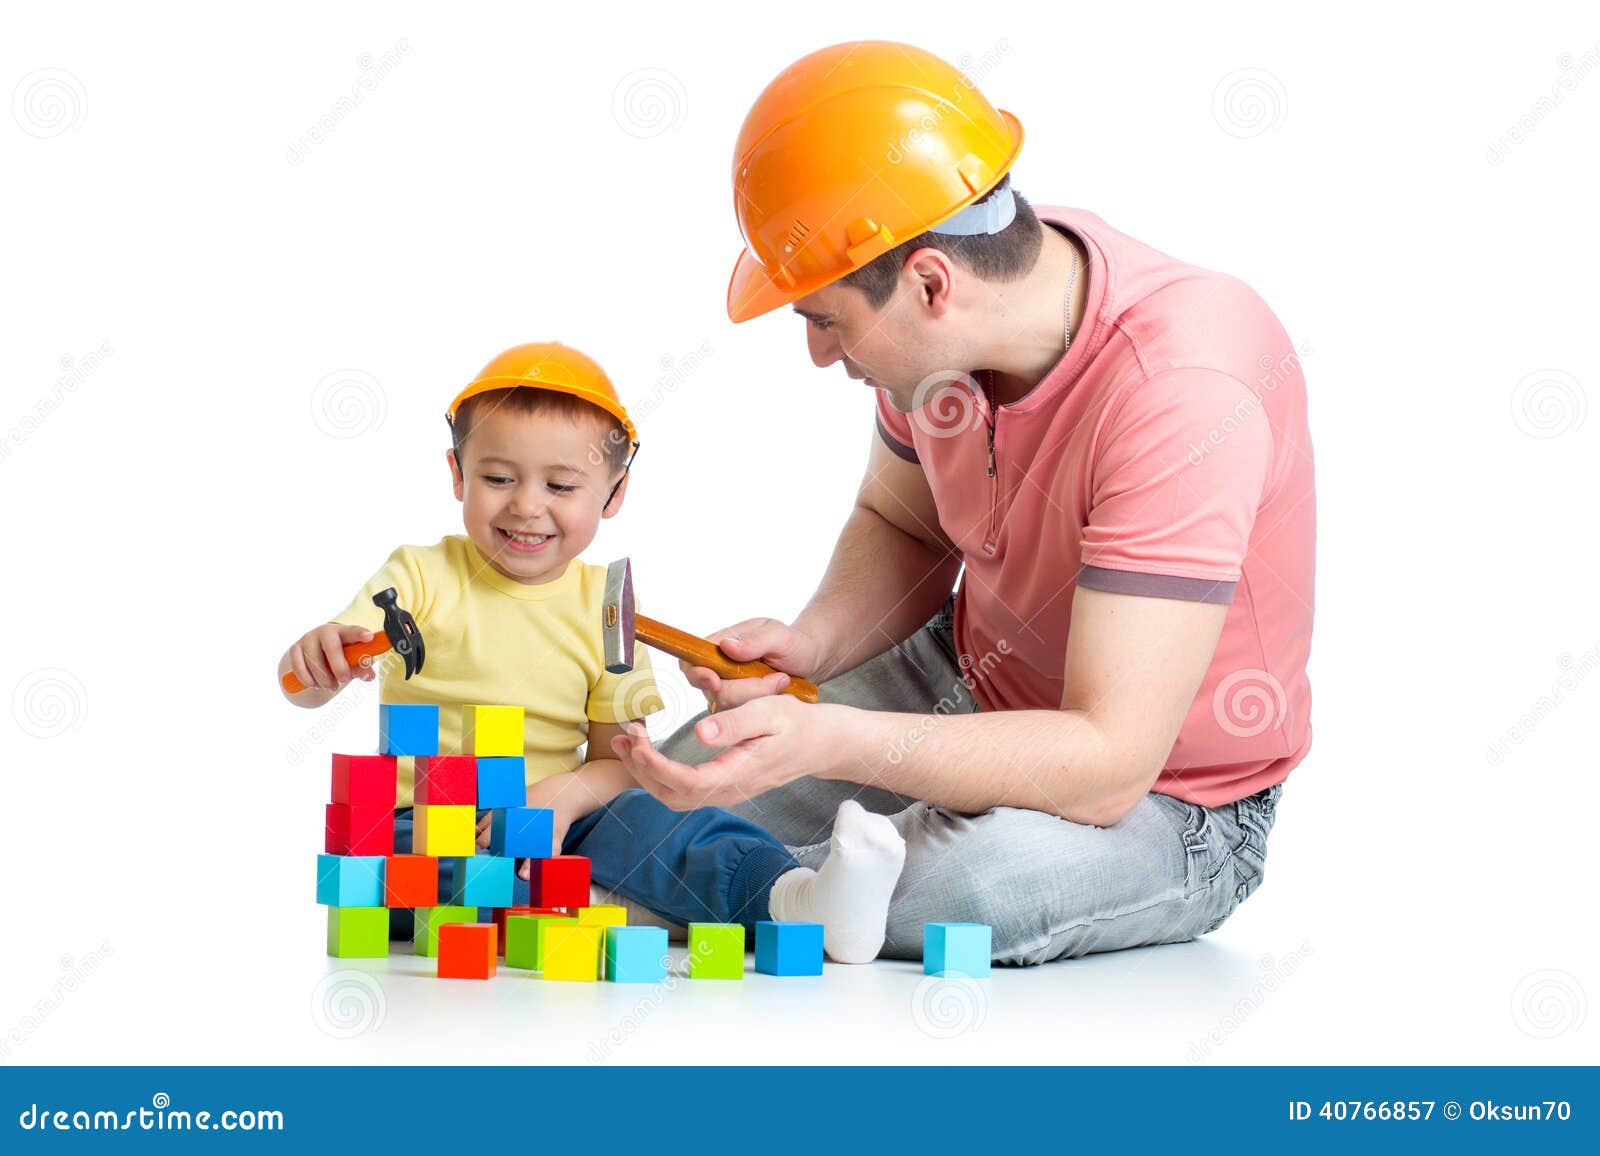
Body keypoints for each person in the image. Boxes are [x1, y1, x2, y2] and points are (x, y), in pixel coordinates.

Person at [570, 40, 1315, 968]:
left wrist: (830, 741)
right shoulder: (952, 329)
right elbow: (905, 525)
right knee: (654, 795)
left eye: (825, 319)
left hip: (1169, 795)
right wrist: (816, 647)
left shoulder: (1184, 388)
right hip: (961, 678)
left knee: (972, 891)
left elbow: (1108, 760)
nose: (819, 354)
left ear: (930, 283)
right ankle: (760, 892)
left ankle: (692, 892)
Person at [278, 342, 667, 926]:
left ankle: (785, 892)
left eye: (561, 487)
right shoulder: (418, 575)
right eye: (498, 478)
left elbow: (623, 760)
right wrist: (314, 663)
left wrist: (561, 799)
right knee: (400, 862)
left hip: (559, 816)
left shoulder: (608, 606)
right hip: (425, 817)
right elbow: (309, 686)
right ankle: (570, 901)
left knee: (670, 824)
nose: (526, 506)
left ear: (614, 493)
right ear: (458, 475)